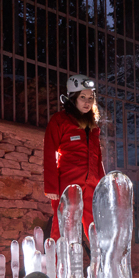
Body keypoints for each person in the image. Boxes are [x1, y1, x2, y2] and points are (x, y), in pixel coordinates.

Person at [44, 74, 106, 240]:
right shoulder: (60, 120)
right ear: (73, 98)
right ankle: (58, 266)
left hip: (92, 184)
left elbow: (97, 158)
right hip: (68, 184)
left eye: (91, 98)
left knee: (96, 229)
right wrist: (51, 186)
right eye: (82, 97)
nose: (87, 102)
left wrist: (102, 186)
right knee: (63, 229)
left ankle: (100, 265)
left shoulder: (93, 125)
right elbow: (49, 152)